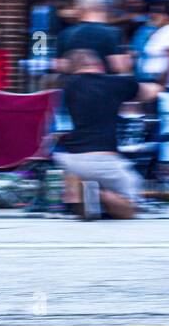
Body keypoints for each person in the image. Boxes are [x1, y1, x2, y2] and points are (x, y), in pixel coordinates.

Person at [53, 49, 160, 219]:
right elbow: (152, 92)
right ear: (101, 66)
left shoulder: (65, 85)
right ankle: (97, 194)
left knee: (85, 206)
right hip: (104, 160)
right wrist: (126, 71)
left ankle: (79, 192)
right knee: (130, 209)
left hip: (70, 160)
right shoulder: (116, 83)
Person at [55, 0, 130, 74]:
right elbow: (119, 67)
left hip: (74, 84)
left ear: (78, 9)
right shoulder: (113, 33)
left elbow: (60, 66)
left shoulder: (66, 34)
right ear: (102, 7)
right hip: (104, 85)